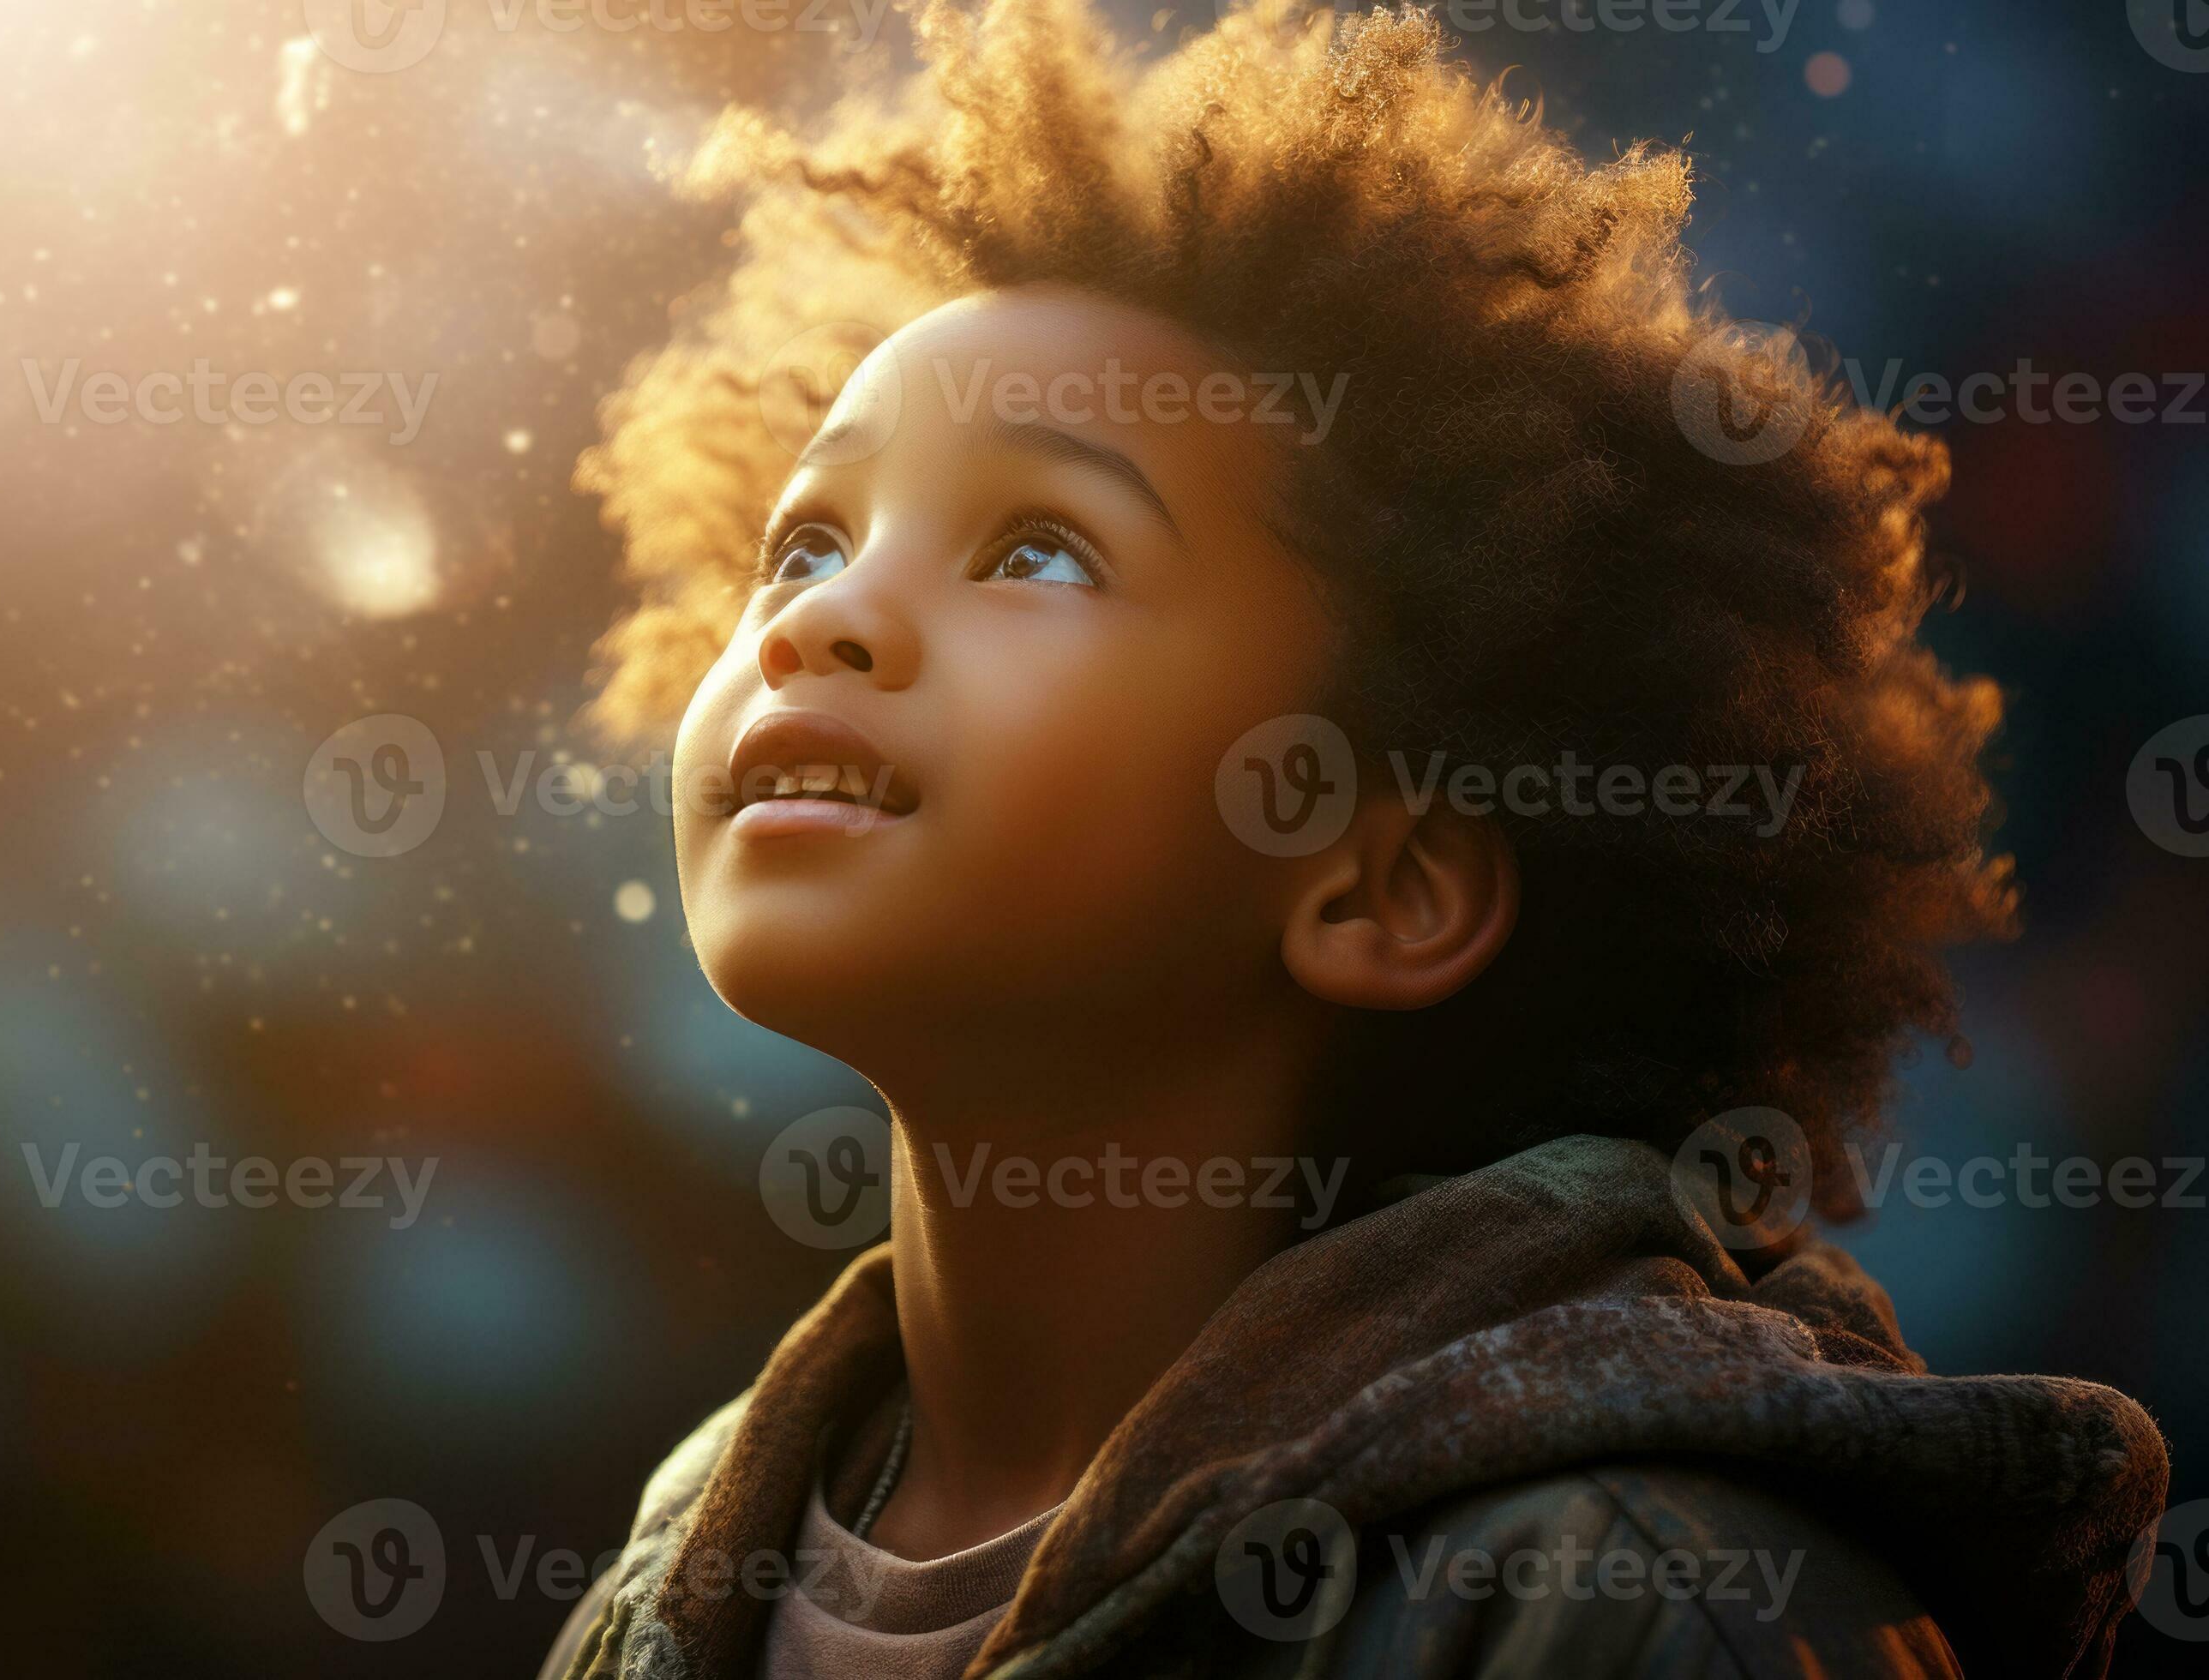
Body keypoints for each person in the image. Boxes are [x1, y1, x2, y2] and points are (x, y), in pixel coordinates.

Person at [542, 3, 2169, 1674]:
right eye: (805, 542)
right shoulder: (673, 1568)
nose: (830, 617)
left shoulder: (1637, 1601)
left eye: (1039, 550)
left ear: (1379, 884)